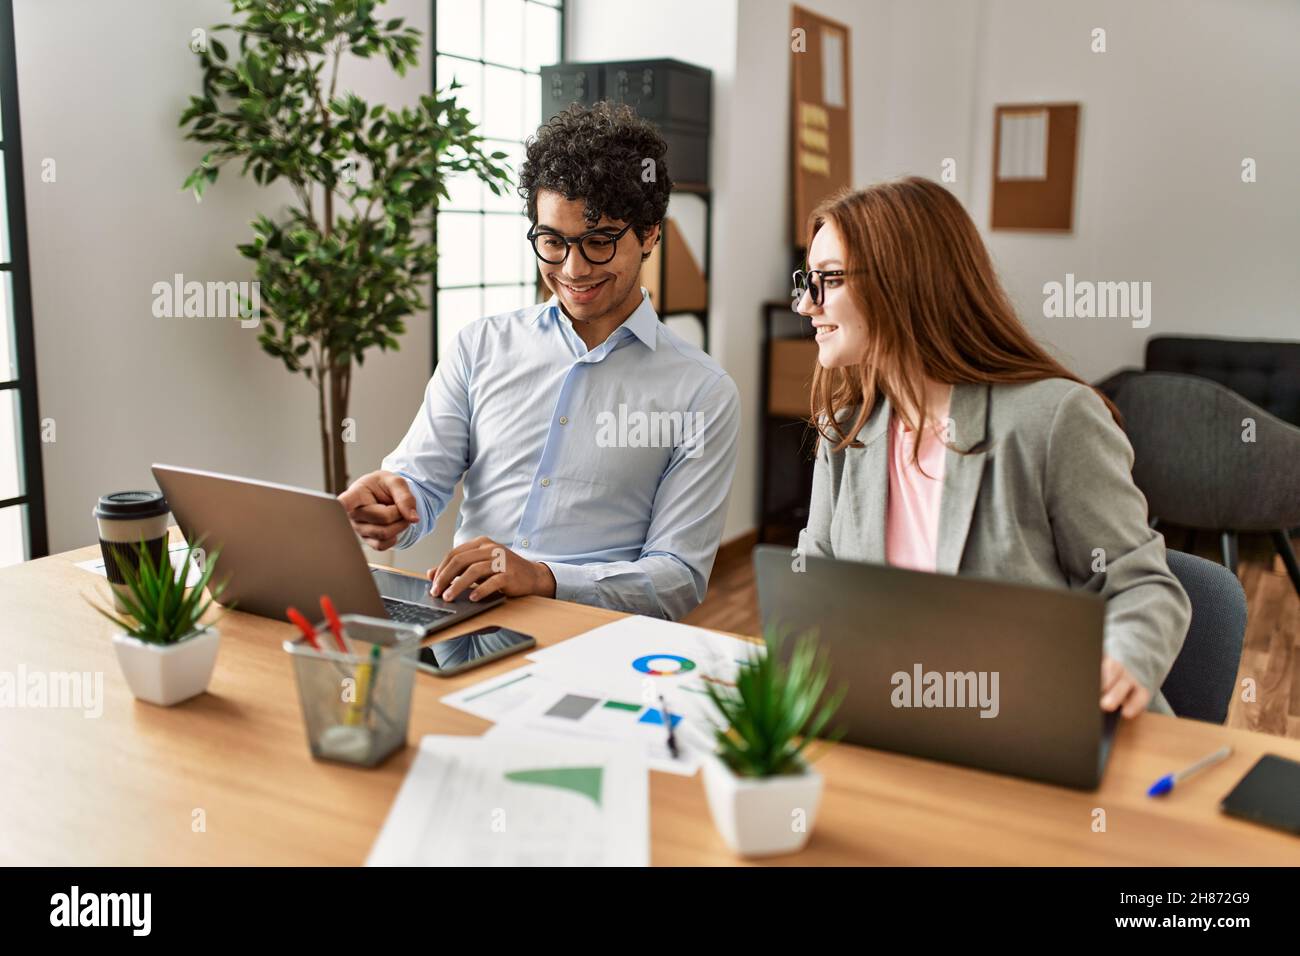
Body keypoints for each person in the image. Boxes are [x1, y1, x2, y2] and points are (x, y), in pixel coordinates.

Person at [794, 177, 1190, 717]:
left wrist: (1123, 658)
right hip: (900, 720)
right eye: (806, 280)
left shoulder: (1053, 420)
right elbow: (813, 589)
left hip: (1040, 728)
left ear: (904, 281)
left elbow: (1142, 586)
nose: (805, 305)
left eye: (828, 280)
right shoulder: (845, 433)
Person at [338, 102, 740, 621]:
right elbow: (420, 482)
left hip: (597, 639)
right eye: (552, 242)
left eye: (598, 242)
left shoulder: (702, 392)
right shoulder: (479, 346)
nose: (573, 269)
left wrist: (543, 578)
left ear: (651, 234)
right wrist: (393, 505)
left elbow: (677, 576)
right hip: (464, 620)